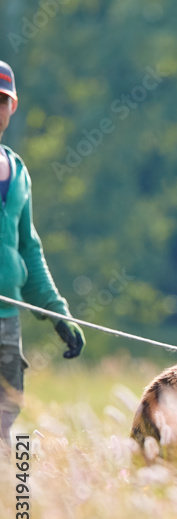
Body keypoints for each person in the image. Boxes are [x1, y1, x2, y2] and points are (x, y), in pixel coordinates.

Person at [0, 60, 85, 446]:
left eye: (1, 101)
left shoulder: (17, 172)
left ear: (12, 106)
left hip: (7, 320)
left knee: (5, 416)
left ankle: (8, 498)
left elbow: (29, 252)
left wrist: (58, 314)